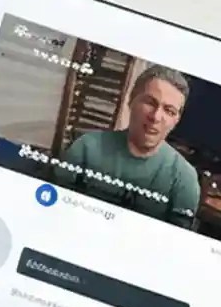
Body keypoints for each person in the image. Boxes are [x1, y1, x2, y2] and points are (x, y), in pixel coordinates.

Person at [57, 64, 201, 228]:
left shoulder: (183, 179)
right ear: (131, 100)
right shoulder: (86, 148)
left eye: (169, 111)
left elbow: (175, 245)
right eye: (150, 102)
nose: (155, 116)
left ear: (176, 121)